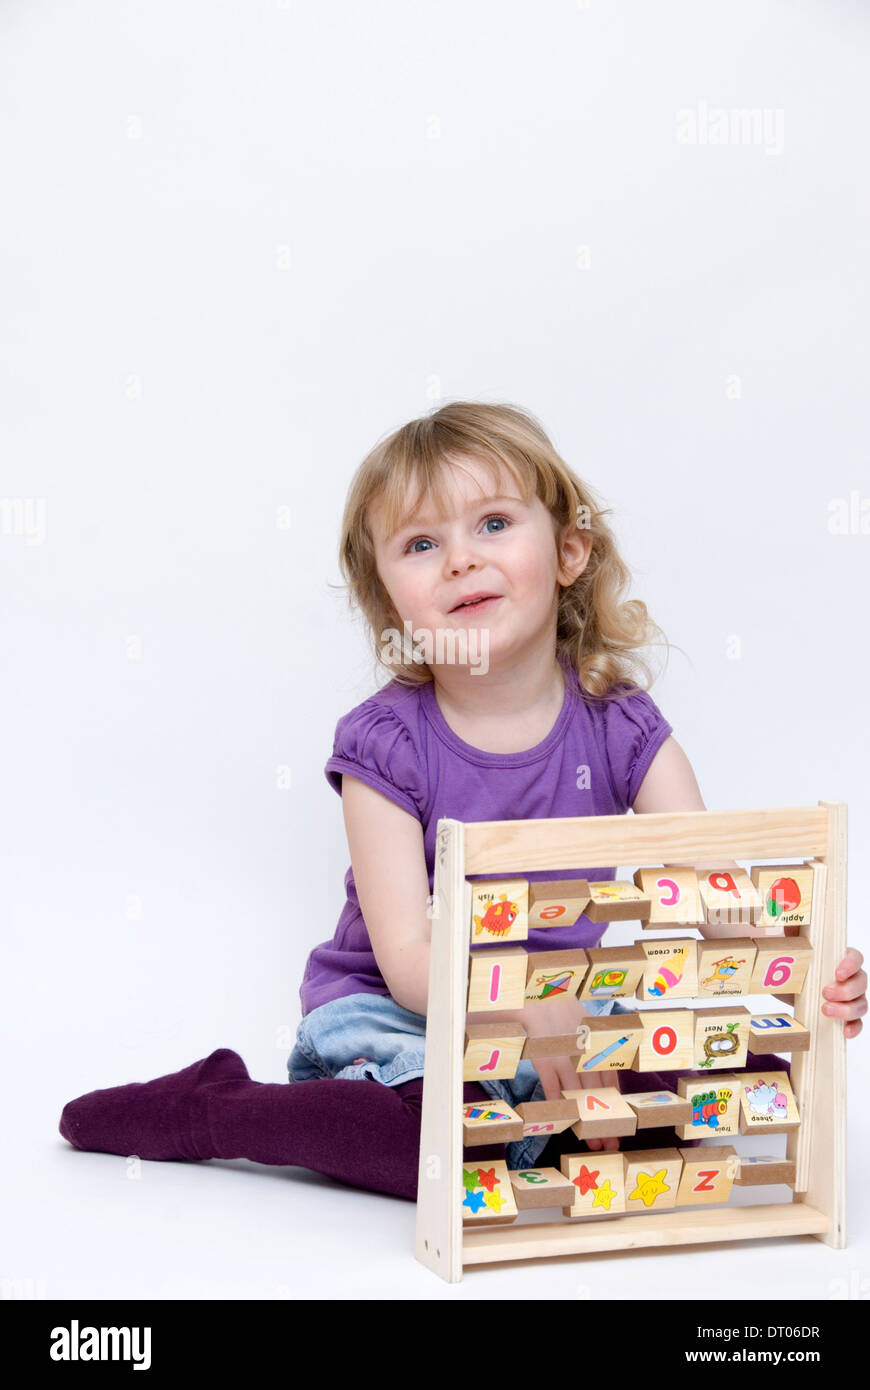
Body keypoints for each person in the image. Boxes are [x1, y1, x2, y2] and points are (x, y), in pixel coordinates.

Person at [58, 401, 866, 1200]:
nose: (458, 561)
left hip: (574, 1007)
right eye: (420, 544)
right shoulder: (386, 745)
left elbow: (711, 890)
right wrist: (523, 1019)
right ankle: (222, 1108)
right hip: (412, 1012)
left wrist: (800, 960)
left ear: (569, 552)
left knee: (743, 1079)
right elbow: (409, 961)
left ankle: (544, 1130)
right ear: (389, 601)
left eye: (492, 525)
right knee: (432, 1154)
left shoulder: (620, 724)